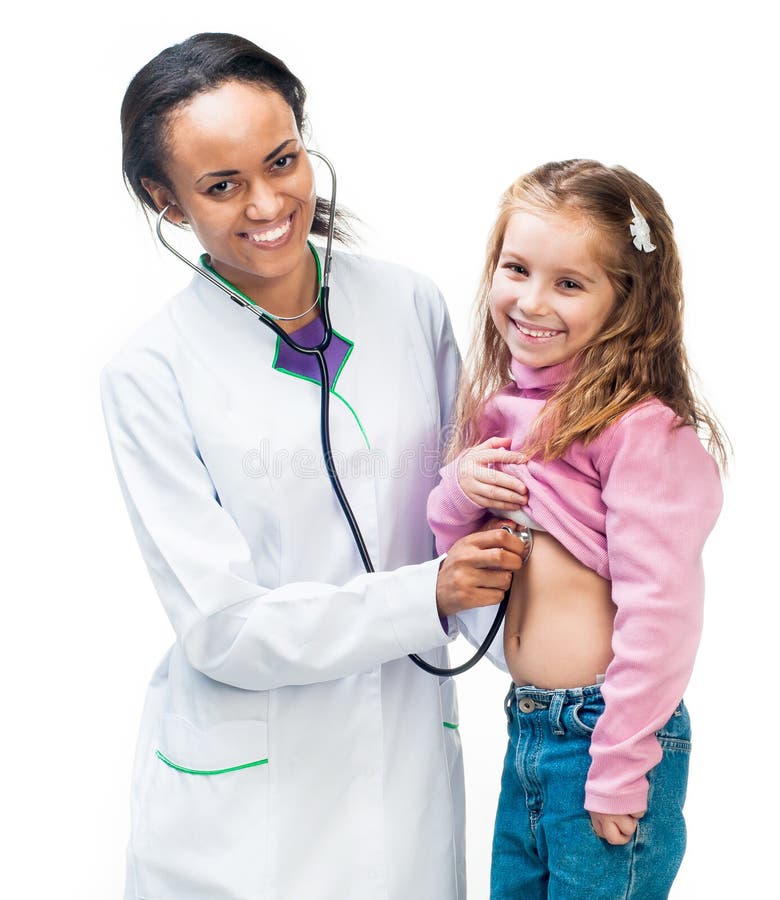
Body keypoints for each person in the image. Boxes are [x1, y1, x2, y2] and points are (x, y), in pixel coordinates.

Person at [102, 32, 527, 900]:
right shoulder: (150, 373)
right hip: (244, 817)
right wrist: (431, 595)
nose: (267, 204)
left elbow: (468, 512)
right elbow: (220, 628)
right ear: (166, 200)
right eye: (222, 186)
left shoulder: (410, 303)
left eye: (283, 160)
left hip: (406, 768)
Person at [427, 159, 726, 899]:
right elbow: (451, 561)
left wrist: (622, 761)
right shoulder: (500, 413)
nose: (532, 301)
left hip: (604, 737)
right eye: (517, 268)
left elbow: (662, 611)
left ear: (628, 301)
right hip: (529, 729)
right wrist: (459, 488)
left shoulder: (638, 431)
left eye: (569, 282)